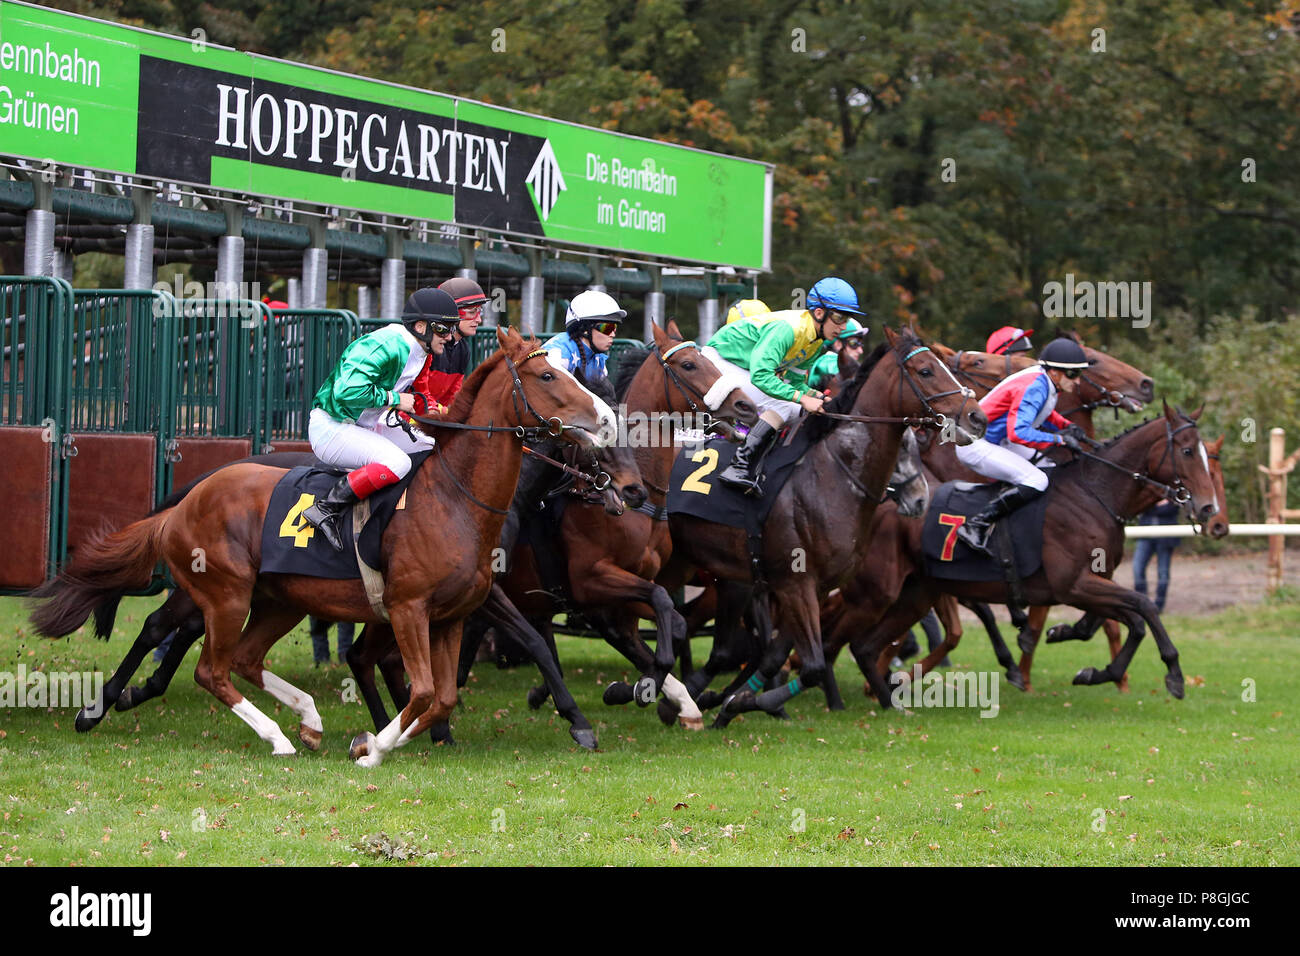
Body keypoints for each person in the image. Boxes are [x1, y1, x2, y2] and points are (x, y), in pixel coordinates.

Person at [301, 287, 460, 550]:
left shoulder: (423, 351)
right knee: (397, 463)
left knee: (431, 448)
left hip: (367, 424)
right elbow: (346, 391)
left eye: (452, 329)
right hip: (332, 427)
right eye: (443, 329)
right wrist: (395, 400)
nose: (450, 337)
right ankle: (326, 507)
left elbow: (421, 397)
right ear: (421, 326)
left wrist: (450, 417)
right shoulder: (387, 344)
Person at [703, 276, 865, 496]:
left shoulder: (815, 342)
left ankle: (764, 466)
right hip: (718, 362)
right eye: (839, 317)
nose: (843, 326)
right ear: (819, 313)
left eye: (847, 319)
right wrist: (802, 398)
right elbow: (761, 376)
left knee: (797, 410)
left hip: (743, 367)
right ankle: (738, 466)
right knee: (786, 405)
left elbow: (795, 382)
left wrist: (814, 395)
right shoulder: (789, 329)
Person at [953, 336, 1091, 556]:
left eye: (1079, 374)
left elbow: (1044, 412)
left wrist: (1066, 426)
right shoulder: (1036, 385)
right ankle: (976, 526)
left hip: (995, 440)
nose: (1077, 381)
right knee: (1037, 479)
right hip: (976, 443)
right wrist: (1060, 439)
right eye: (1073, 374)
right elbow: (1017, 432)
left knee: (1048, 464)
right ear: (1054, 371)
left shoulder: (1044, 381)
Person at [415, 277, 488, 409]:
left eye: (479, 311)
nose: (479, 320)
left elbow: (452, 397)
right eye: (472, 312)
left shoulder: (463, 349)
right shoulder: (427, 345)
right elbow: (416, 393)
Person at [540, 289, 625, 380]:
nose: (612, 334)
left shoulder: (599, 360)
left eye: (614, 328)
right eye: (607, 328)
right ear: (584, 328)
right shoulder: (558, 355)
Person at [1133, 498, 1181, 612]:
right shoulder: (1148, 493)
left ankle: (1159, 605)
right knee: (1137, 568)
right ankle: (1141, 602)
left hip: (1165, 539)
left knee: (1163, 571)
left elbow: (1172, 509)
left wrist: (1152, 508)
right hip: (1145, 536)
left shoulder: (1173, 495)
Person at [809, 318, 868, 390]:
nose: (860, 351)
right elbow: (837, 368)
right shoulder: (826, 360)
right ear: (838, 344)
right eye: (854, 343)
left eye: (860, 344)